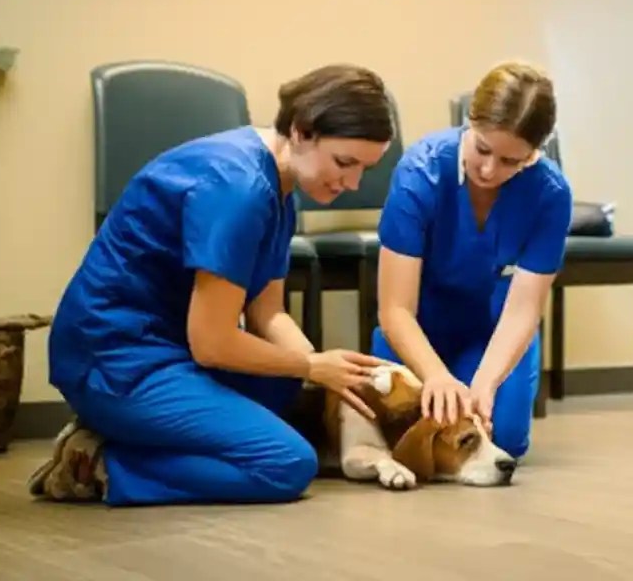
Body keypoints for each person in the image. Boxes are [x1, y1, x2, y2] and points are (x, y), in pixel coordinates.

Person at [27, 64, 396, 506]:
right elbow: (212, 344)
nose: (351, 183)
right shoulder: (236, 189)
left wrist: (326, 371)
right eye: (344, 162)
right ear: (301, 131)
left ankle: (123, 430)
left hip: (166, 346)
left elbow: (267, 312)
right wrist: (312, 368)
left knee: (284, 383)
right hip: (115, 357)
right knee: (285, 463)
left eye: (364, 170)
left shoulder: (281, 184)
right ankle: (99, 462)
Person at [371, 61, 573, 459]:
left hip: (492, 328)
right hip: (419, 326)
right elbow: (394, 308)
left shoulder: (550, 194)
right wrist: (436, 377)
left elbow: (524, 309)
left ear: (534, 152)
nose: (488, 169)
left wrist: (486, 384)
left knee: (502, 439)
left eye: (511, 161)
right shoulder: (420, 172)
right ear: (469, 121)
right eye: (482, 149)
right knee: (398, 430)